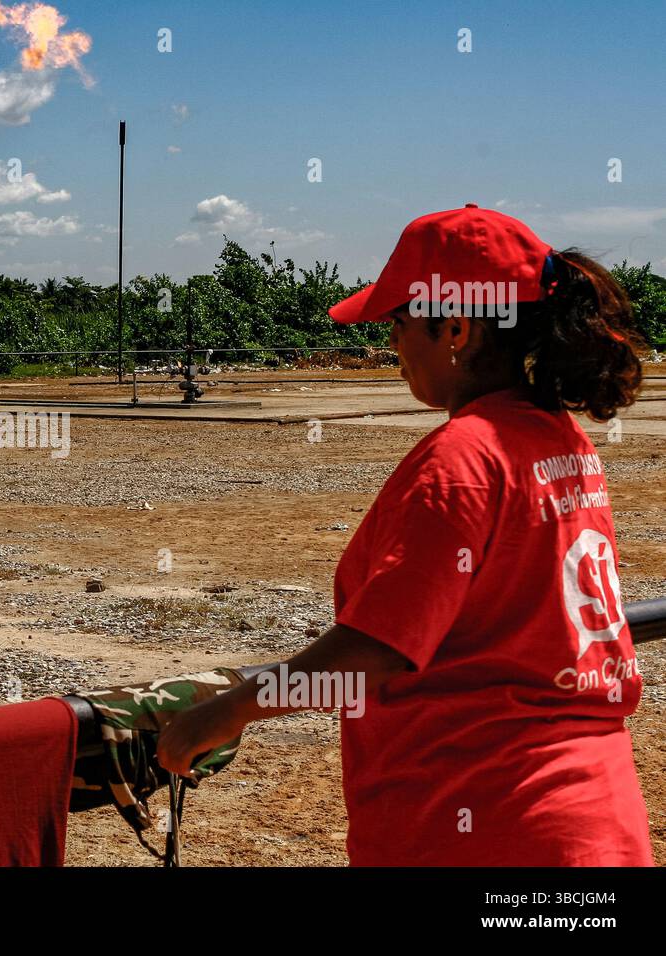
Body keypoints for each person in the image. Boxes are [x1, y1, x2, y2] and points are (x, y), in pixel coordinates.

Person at [157, 204, 653, 866]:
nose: (390, 344)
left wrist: (225, 712)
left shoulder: (463, 458)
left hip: (484, 822)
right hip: (592, 815)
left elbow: (379, 647)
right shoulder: (560, 439)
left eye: (397, 322)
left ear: (454, 327)